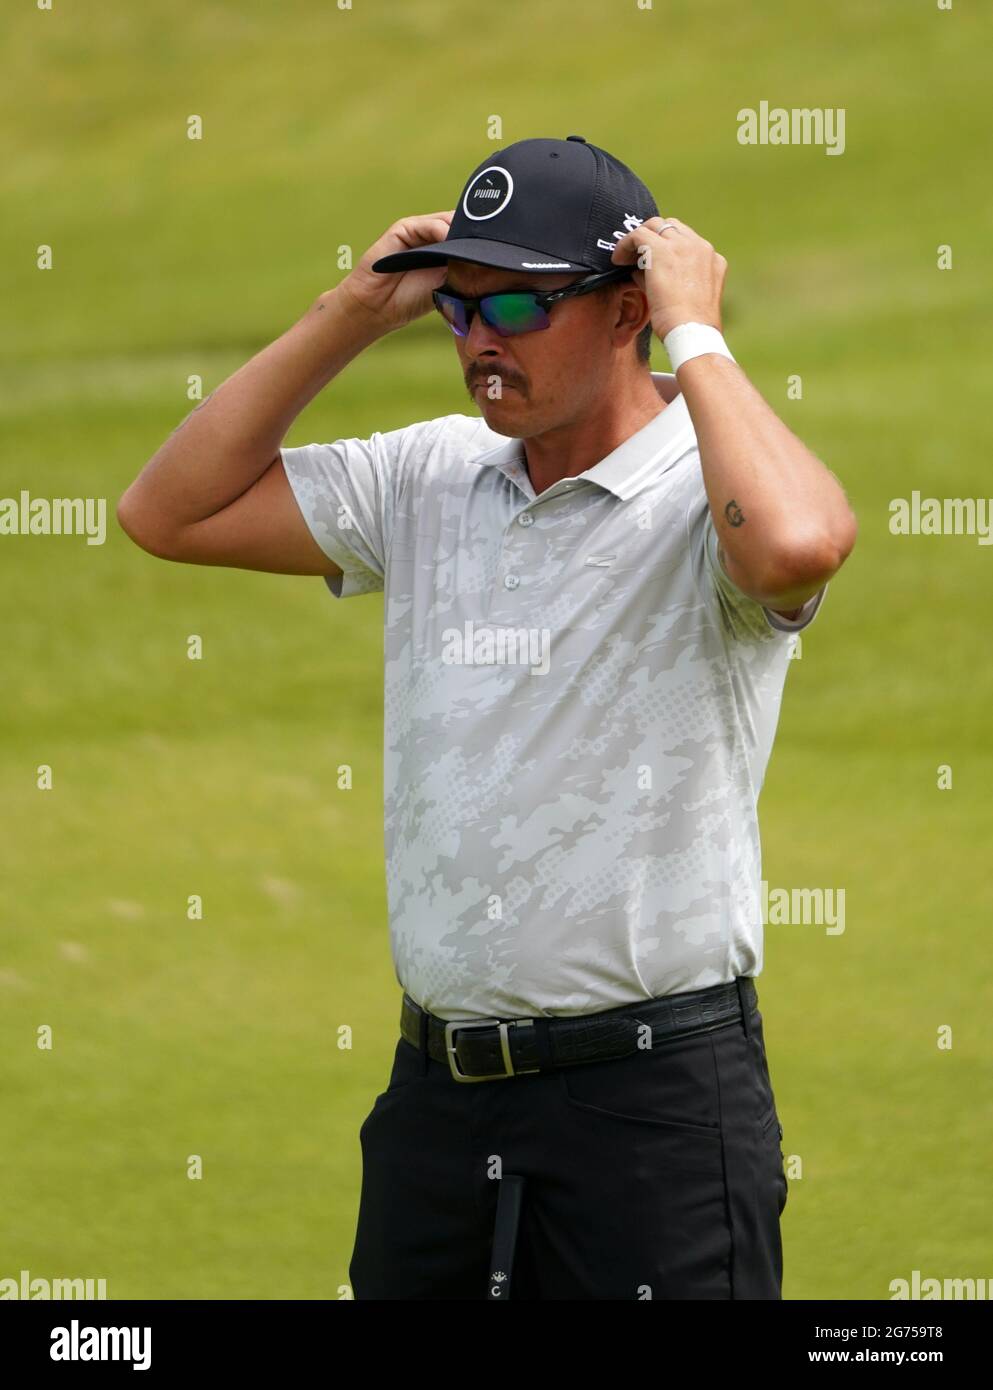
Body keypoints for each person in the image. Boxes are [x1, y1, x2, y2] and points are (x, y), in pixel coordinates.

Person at [117, 135, 857, 1300]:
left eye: (515, 301)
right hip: (439, 1107)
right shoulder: (427, 477)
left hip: (653, 1111)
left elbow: (800, 546)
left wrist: (699, 335)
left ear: (627, 312)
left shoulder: (705, 487)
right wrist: (353, 313)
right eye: (457, 308)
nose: (479, 339)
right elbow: (167, 510)